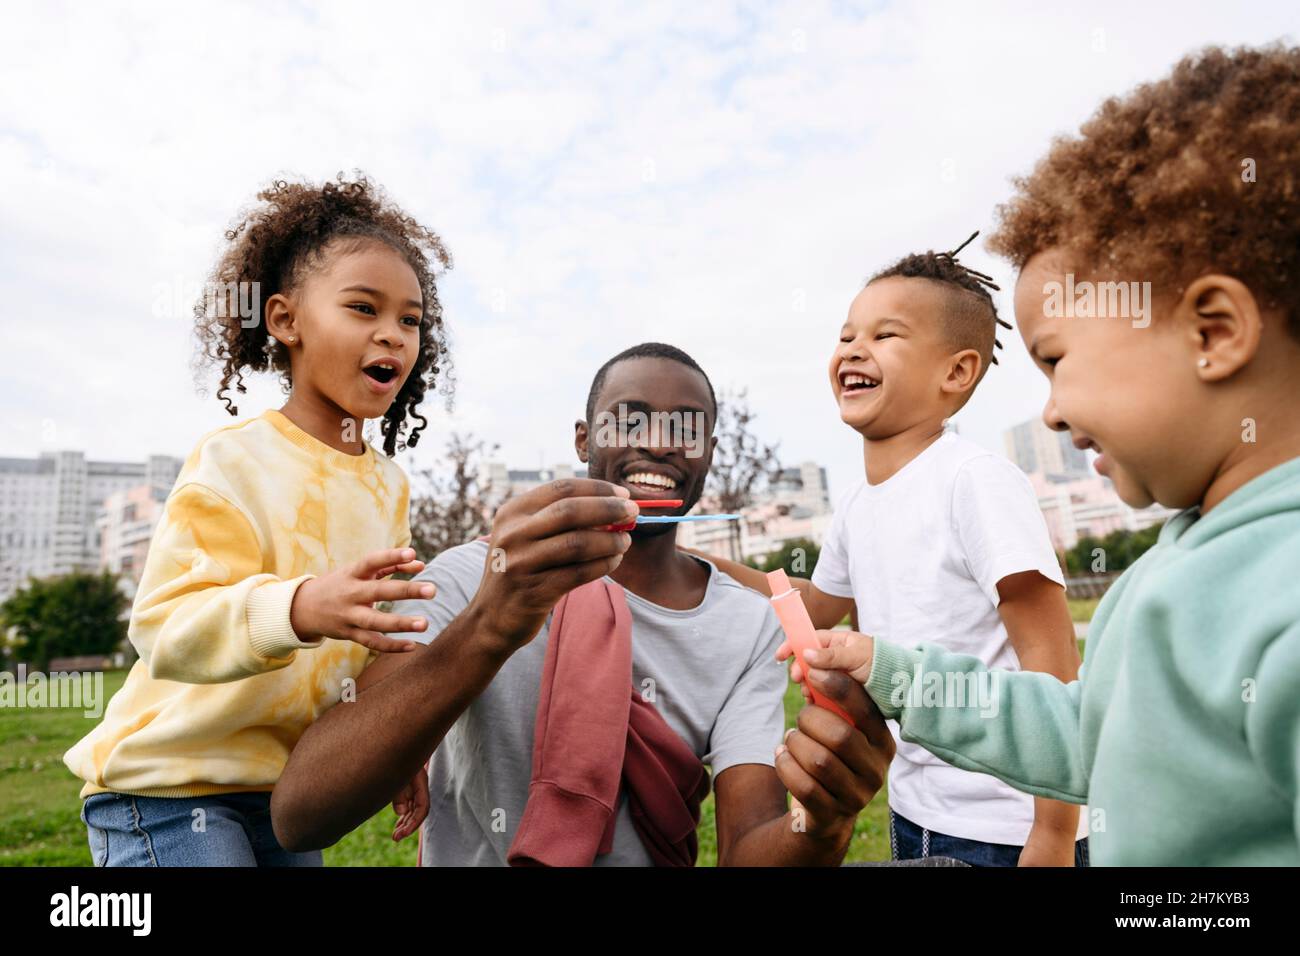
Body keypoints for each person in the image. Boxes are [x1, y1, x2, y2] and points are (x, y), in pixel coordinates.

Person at [800, 44, 1300, 865]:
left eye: (1058, 361)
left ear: (1214, 332)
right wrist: (890, 668)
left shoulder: (1280, 594)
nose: (1053, 413)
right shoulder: (1166, 572)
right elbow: (1078, 731)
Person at [272, 343, 897, 865]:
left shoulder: (748, 627)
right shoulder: (473, 579)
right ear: (583, 439)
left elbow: (748, 848)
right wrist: (490, 625)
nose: (659, 444)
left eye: (688, 429)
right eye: (628, 420)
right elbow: (301, 814)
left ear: (708, 453)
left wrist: (822, 823)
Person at [64, 174, 449, 865]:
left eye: (411, 319)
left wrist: (398, 743)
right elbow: (163, 627)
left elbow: (379, 643)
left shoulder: (388, 487)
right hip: (168, 788)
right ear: (285, 320)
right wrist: (299, 607)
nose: (393, 333)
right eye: (364, 308)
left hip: (285, 789)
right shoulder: (233, 461)